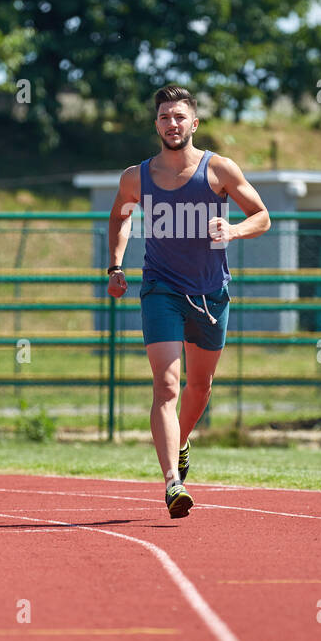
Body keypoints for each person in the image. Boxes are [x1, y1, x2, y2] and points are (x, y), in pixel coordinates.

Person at [106, 84, 270, 518]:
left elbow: (262, 216)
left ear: (193, 123)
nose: (172, 124)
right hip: (161, 290)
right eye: (164, 117)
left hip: (211, 293)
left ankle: (180, 441)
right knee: (166, 384)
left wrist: (233, 231)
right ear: (155, 123)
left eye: (179, 117)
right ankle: (171, 483)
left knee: (200, 387)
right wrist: (116, 266)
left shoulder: (219, 170)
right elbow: (120, 216)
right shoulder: (135, 177)